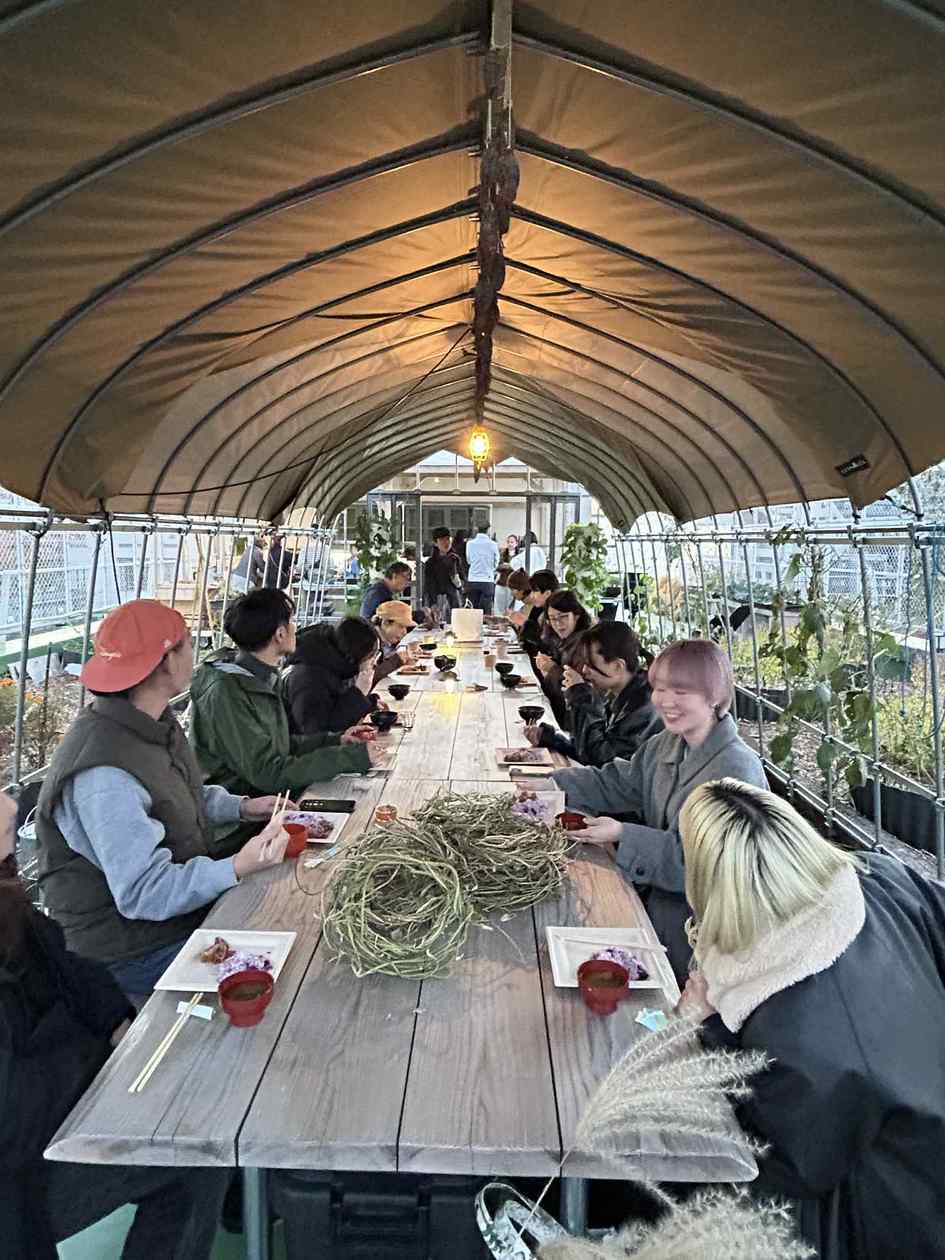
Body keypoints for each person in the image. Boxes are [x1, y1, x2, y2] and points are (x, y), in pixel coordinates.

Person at [678, 779, 945, 1260]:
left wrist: (707, 1028)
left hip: (891, 1217)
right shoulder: (886, 879)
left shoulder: (794, 1025)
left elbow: (786, 1163)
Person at [0, 794, 229, 1260]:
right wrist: (107, 1074)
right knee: (196, 1146)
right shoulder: (98, 772)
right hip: (17, 1184)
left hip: (52, 1105)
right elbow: (18, 1104)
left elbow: (66, 968)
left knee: (201, 1078)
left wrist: (121, 1024)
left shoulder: (8, 901)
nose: (9, 803)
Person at [34, 600, 293, 1004]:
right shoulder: (104, 773)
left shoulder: (149, 721)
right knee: (281, 970)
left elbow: (176, 792)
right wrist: (238, 865)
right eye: (188, 644)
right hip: (129, 950)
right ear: (168, 661)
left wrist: (242, 806)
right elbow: (143, 892)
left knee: (280, 917)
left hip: (170, 918)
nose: (196, 653)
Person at [550, 639, 766, 981]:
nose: (665, 702)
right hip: (657, 900)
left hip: (705, 932)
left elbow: (705, 865)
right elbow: (618, 783)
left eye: (681, 692)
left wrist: (623, 834)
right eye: (659, 689)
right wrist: (549, 786)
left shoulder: (736, 770)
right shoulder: (668, 743)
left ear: (714, 696)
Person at [190, 589, 378, 816]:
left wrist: (336, 741)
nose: (295, 628)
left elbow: (282, 745)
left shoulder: (262, 676)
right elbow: (269, 772)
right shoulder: (225, 692)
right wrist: (351, 757)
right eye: (292, 621)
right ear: (279, 634)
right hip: (241, 824)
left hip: (276, 802)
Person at [527, 622, 662, 766]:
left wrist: (580, 695)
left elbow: (601, 759)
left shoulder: (642, 706)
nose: (584, 670)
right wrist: (551, 738)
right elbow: (592, 744)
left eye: (591, 664)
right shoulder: (622, 692)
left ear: (617, 666)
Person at [284, 616, 385, 735]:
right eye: (372, 656)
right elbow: (318, 731)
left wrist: (369, 703)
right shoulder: (310, 676)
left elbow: (336, 706)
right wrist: (359, 694)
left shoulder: (338, 664)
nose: (374, 662)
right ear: (356, 653)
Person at [531, 589, 593, 728]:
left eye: (563, 616)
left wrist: (551, 669)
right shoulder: (562, 640)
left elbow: (575, 688)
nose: (558, 623)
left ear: (576, 615)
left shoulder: (585, 644)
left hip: (573, 723)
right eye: (552, 618)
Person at [507, 569, 559, 659]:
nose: (532, 595)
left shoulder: (558, 613)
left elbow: (549, 647)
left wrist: (525, 623)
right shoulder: (538, 608)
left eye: (535, 591)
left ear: (547, 593)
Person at [372, 600, 420, 684]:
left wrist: (401, 662)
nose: (404, 632)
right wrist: (397, 660)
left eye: (406, 627)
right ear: (386, 622)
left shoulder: (380, 639)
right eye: (401, 626)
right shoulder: (369, 641)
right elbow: (367, 678)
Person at [423, 526, 464, 616]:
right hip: (437, 599)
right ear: (435, 543)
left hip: (454, 599)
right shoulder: (430, 562)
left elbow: (462, 579)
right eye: (442, 540)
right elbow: (429, 584)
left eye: (448, 539)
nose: (446, 543)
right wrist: (432, 603)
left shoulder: (455, 558)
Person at [463, 523, 501, 613]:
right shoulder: (493, 544)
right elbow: (496, 561)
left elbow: (468, 560)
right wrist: (491, 568)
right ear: (488, 530)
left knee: (473, 609)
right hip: (487, 579)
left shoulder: (470, 544)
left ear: (477, 530)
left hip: (473, 579)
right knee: (486, 609)